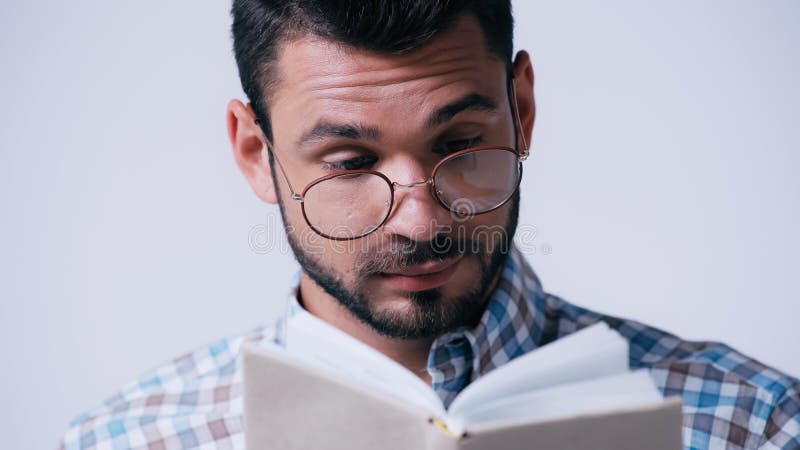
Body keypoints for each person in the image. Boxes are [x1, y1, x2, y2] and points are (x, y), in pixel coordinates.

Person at [60, 1, 799, 449]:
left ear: (522, 111)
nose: (420, 220)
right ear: (257, 154)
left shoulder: (756, 426)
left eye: (461, 144)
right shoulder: (124, 442)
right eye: (350, 163)